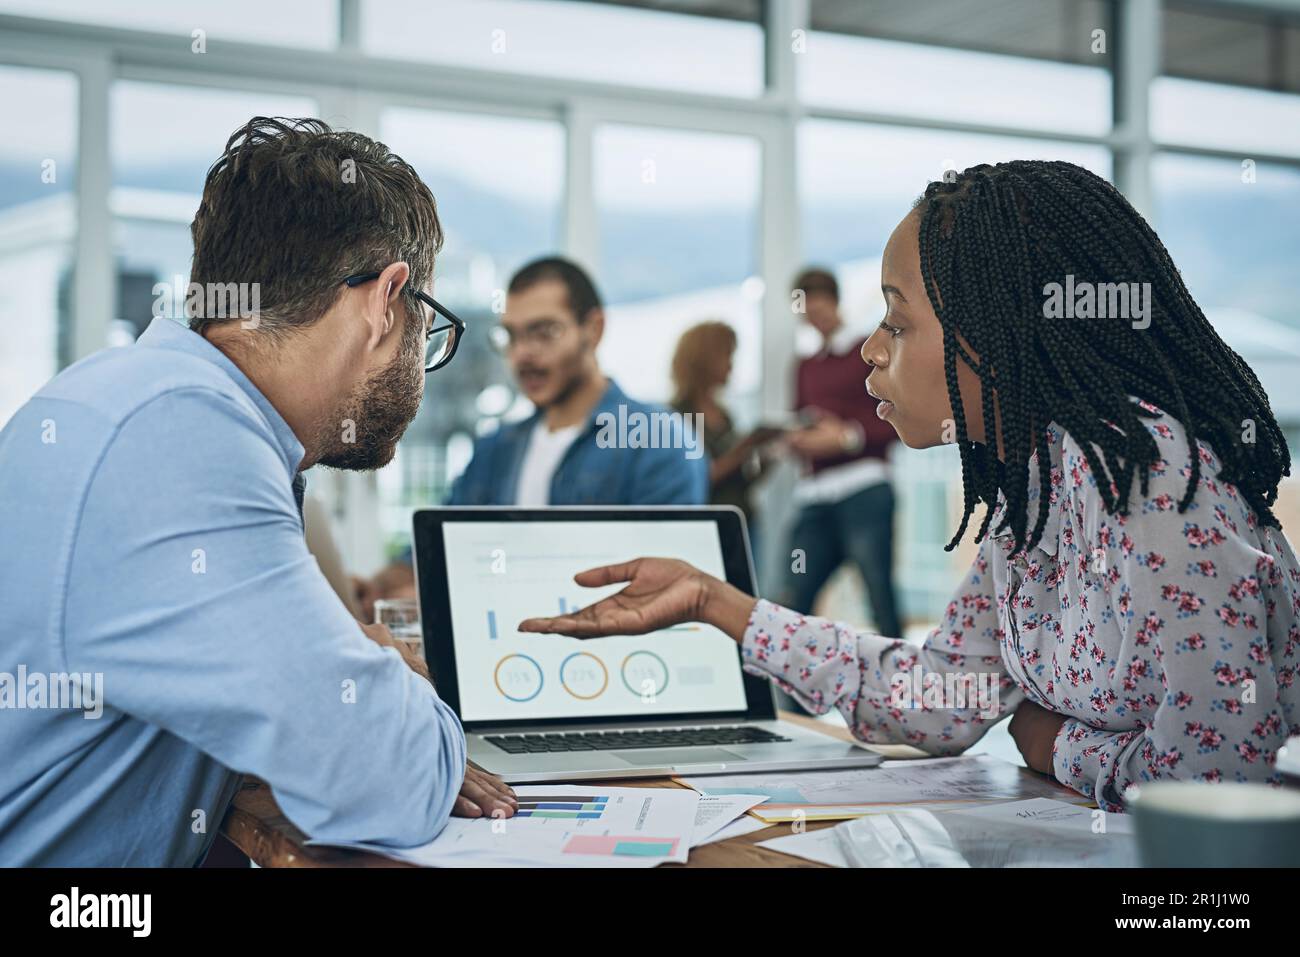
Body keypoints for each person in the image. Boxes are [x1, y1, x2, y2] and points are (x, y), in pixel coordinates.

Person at [518, 160, 1300, 812]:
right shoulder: (1038, 492)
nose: (870, 348)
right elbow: (943, 696)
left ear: (996, 332)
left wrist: (1052, 740)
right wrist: (712, 601)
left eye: (897, 321)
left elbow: (1216, 785)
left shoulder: (1154, 481)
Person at [0, 117, 516, 866]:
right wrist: (381, 675)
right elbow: (384, 777)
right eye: (426, 327)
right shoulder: (184, 434)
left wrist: (341, 671)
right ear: (386, 299)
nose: (420, 359)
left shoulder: (132, 398)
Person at [356, 256, 709, 615]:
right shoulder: (498, 448)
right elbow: (439, 540)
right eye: (511, 335)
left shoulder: (657, 440)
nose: (522, 354)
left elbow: (660, 585)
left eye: (544, 332)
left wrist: (456, 591)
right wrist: (381, 586)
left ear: (594, 329)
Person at [778, 267, 903, 639]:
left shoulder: (868, 352)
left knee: (880, 597)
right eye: (805, 310)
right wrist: (796, 440)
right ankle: (794, 697)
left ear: (834, 302)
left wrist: (847, 438)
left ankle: (902, 691)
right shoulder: (803, 367)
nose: (813, 316)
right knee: (793, 596)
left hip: (864, 490)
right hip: (815, 495)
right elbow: (798, 416)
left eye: (818, 306)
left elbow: (899, 417)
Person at [669, 320, 781, 564]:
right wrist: (745, 446)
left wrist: (768, 457)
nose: (731, 366)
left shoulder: (724, 415)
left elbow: (741, 480)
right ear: (705, 359)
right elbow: (695, 479)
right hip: (707, 532)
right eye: (726, 356)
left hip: (743, 524)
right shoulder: (677, 417)